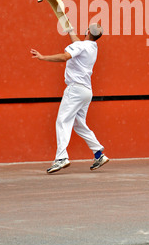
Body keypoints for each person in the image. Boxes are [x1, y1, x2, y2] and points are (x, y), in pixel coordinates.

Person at [30, 23, 109, 174]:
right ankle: (98, 153)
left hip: (75, 90)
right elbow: (78, 43)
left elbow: (65, 56)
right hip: (86, 91)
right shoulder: (92, 47)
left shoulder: (82, 46)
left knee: (62, 121)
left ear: (87, 32)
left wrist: (42, 57)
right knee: (79, 124)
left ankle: (61, 158)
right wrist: (70, 30)